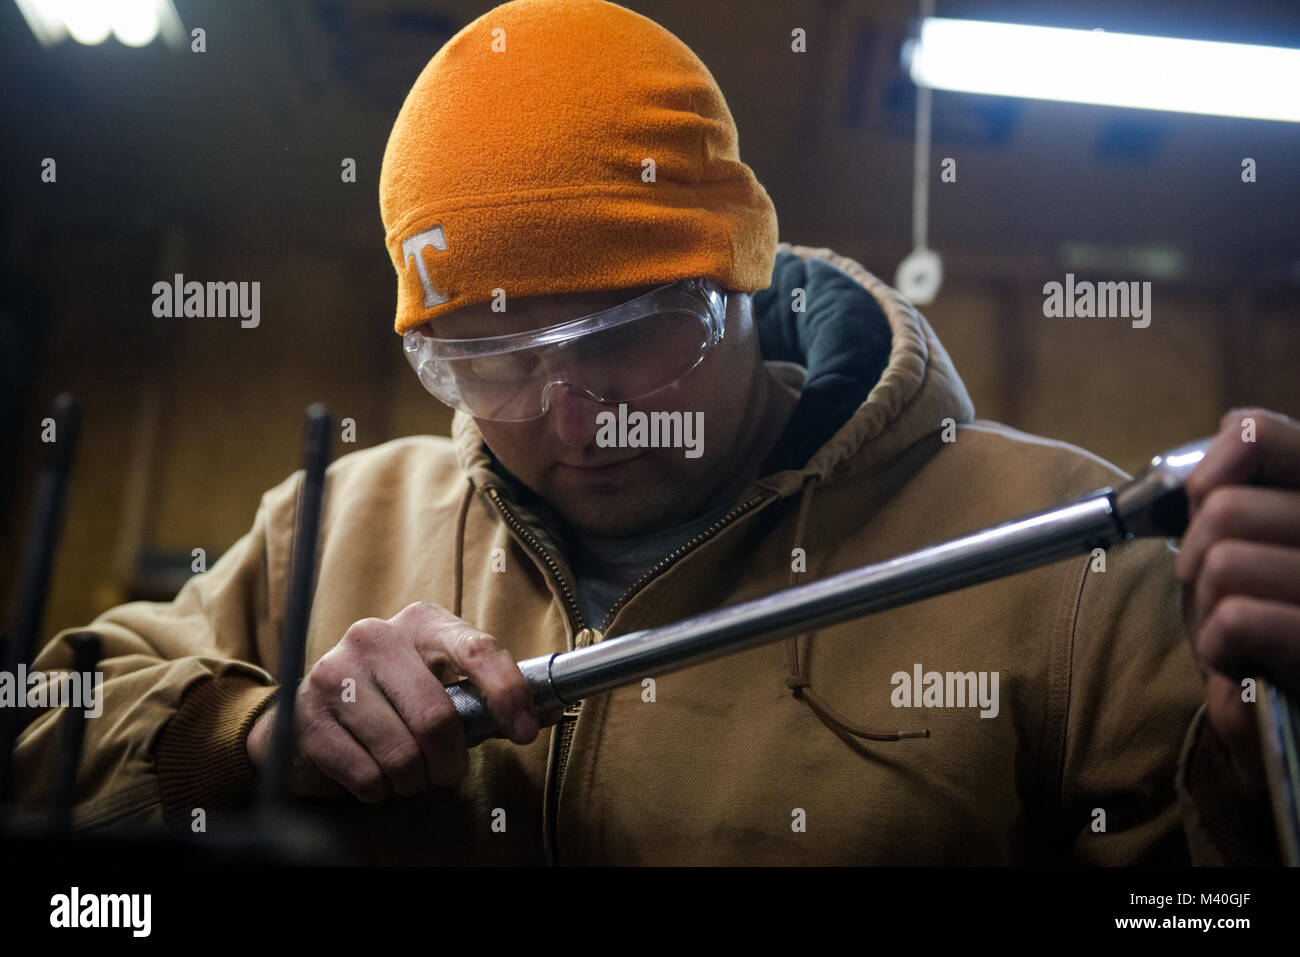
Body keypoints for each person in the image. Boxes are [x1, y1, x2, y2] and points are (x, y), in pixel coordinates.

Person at [14, 0, 1296, 865]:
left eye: (629, 338)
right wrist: (245, 740)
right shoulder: (334, 526)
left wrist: (1257, 775)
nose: (575, 417)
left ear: (739, 282)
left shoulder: (1059, 558)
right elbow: (41, 728)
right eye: (495, 364)